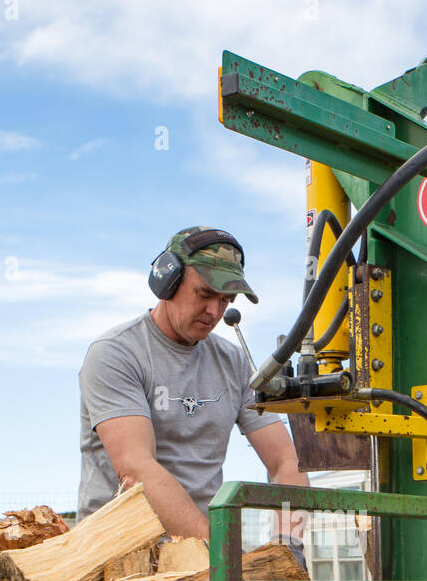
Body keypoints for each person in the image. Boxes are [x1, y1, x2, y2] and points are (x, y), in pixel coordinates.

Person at [77, 226, 308, 548]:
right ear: (167, 281)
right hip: (121, 551)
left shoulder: (233, 362)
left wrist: (289, 543)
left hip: (204, 550)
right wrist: (219, 554)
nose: (215, 311)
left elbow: (286, 461)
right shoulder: (116, 353)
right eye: (204, 294)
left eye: (225, 299)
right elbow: (135, 469)